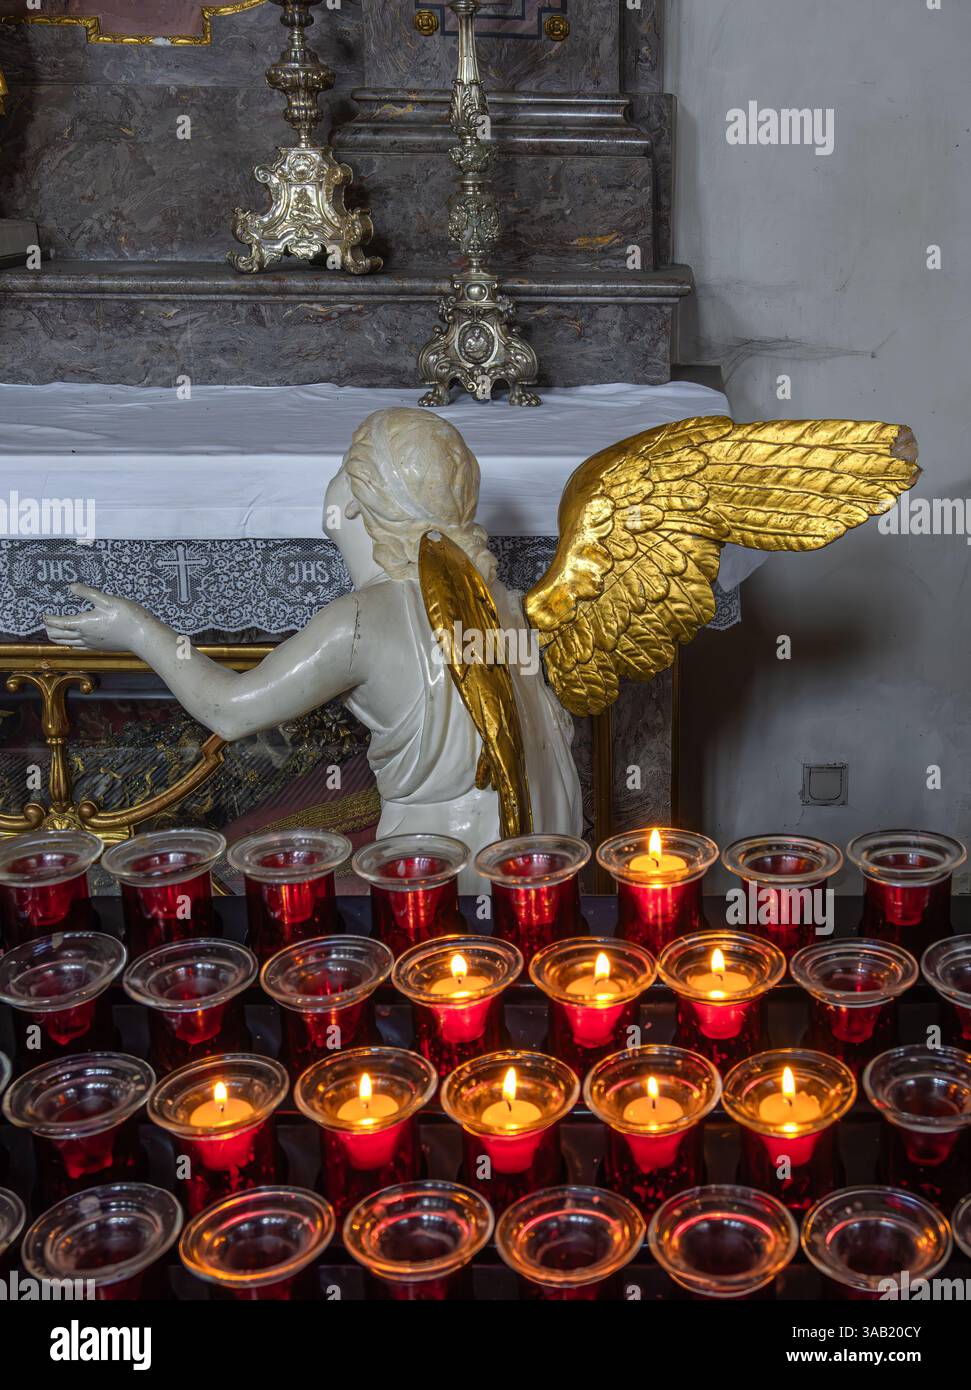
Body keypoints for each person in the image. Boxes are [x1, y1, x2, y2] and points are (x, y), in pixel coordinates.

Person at [45, 408, 583, 890]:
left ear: (353, 499)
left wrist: (137, 631)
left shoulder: (362, 619)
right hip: (541, 852)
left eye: (341, 467)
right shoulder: (504, 601)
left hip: (439, 868)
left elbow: (230, 713)